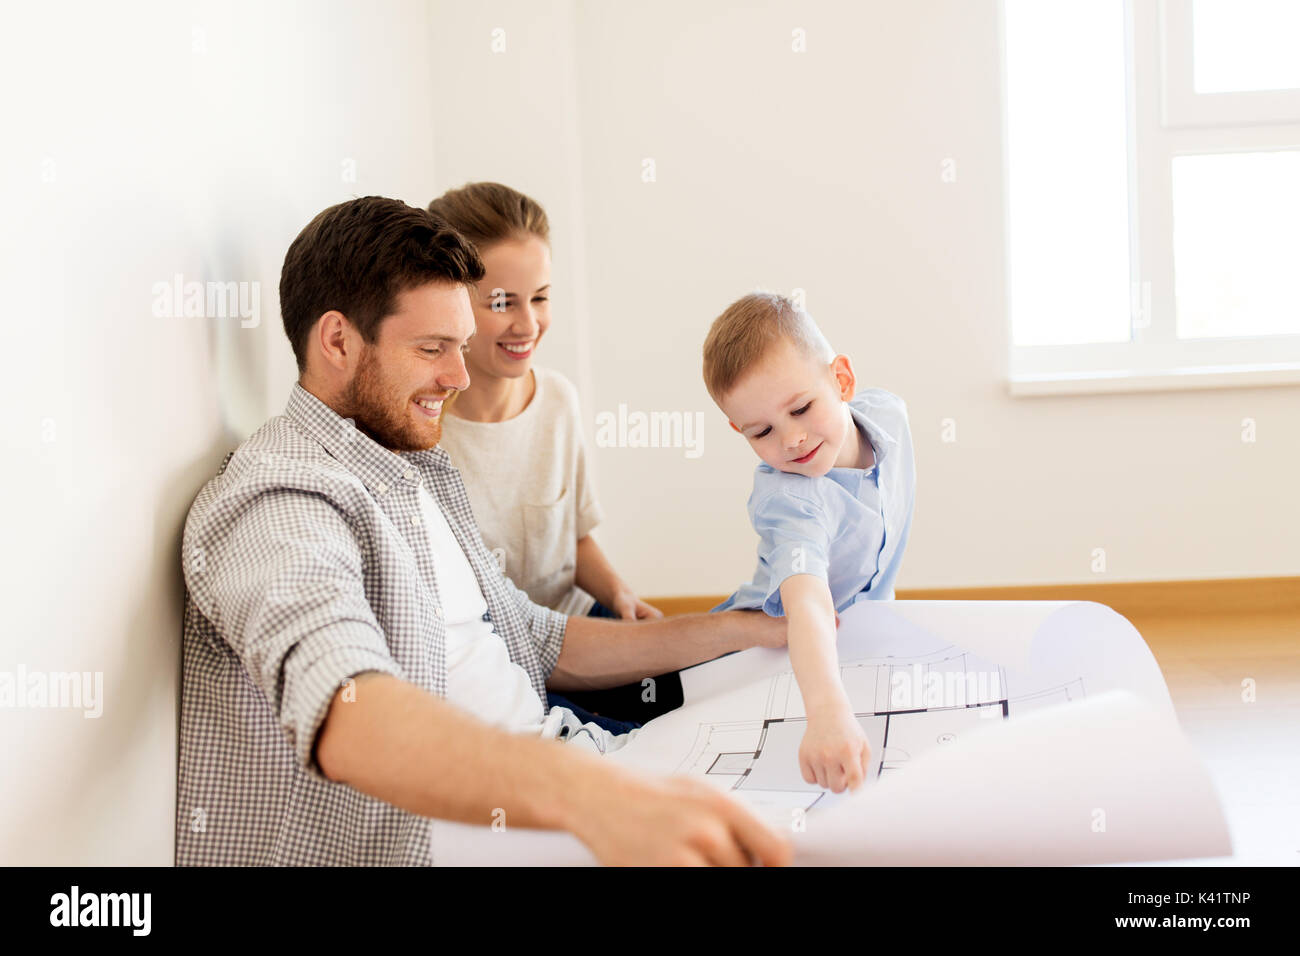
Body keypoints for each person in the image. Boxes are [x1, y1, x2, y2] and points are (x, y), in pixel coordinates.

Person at [175, 197, 791, 867]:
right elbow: (348, 716)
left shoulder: (407, 470)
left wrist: (737, 631)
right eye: (433, 349)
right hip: (467, 835)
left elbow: (535, 636)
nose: (460, 376)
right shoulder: (282, 498)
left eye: (459, 345)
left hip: (570, 761)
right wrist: (595, 798)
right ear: (338, 342)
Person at [428, 182, 677, 730]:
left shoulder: (559, 401)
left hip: (582, 625)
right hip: (511, 660)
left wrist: (621, 596)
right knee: (616, 749)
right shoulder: (425, 436)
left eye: (539, 297)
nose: (528, 324)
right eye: (501, 302)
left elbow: (575, 537)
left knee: (687, 703)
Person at [701, 292, 917, 795]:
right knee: (631, 717)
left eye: (801, 408)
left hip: (855, 640)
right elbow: (809, 607)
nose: (791, 440)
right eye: (761, 432)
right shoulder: (790, 499)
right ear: (739, 430)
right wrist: (826, 714)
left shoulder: (889, 417)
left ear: (841, 380)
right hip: (755, 648)